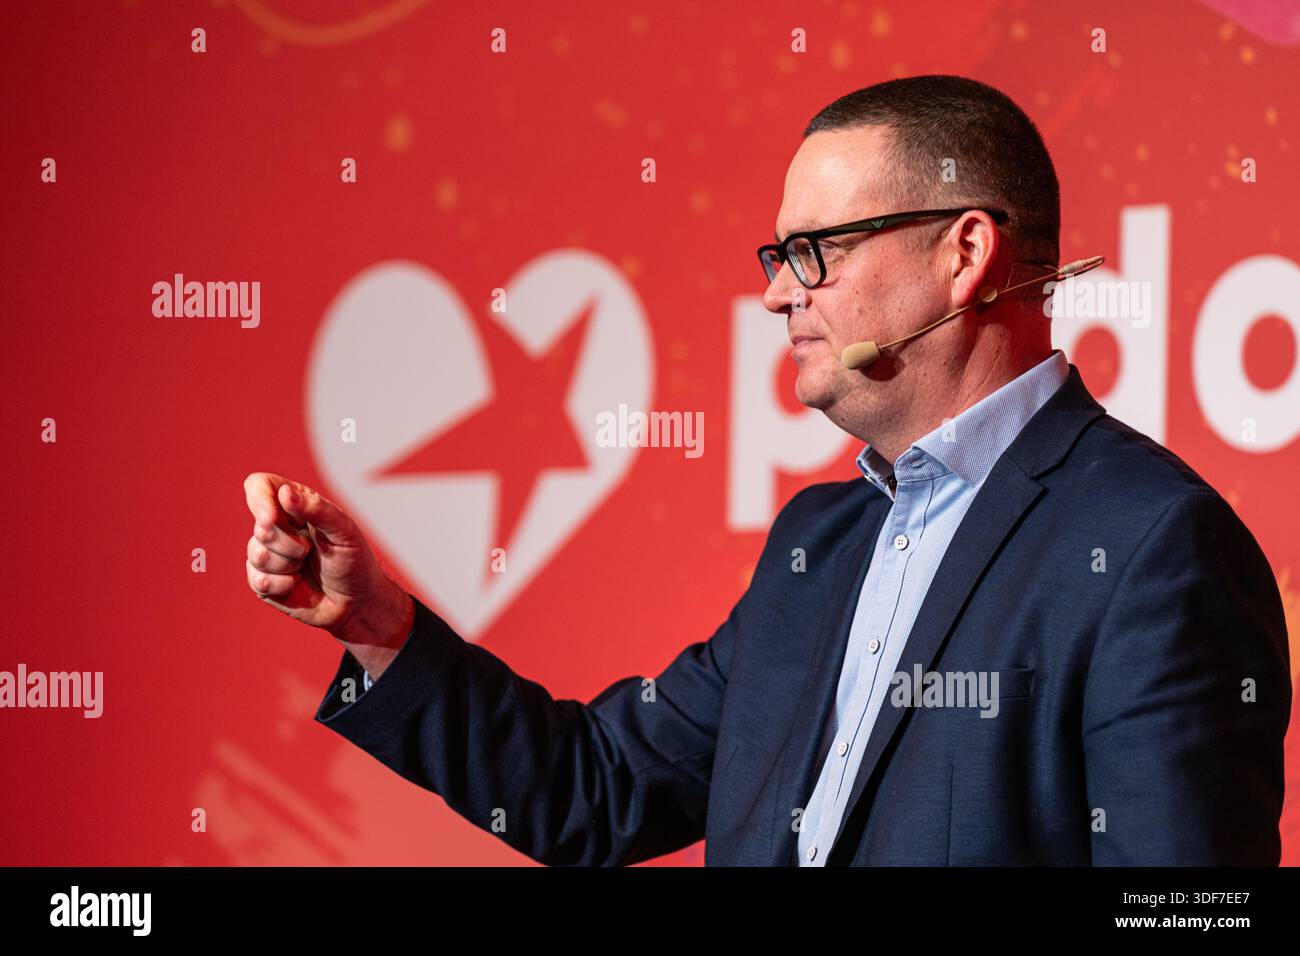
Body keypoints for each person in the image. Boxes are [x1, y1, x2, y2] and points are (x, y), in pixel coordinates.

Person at [243, 75, 1290, 866]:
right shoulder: (815, 544)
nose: (778, 296)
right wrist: (378, 625)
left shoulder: (1152, 545)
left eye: (815, 251)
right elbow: (595, 786)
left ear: (963, 253)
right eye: (773, 257)